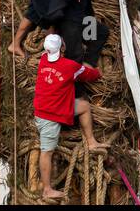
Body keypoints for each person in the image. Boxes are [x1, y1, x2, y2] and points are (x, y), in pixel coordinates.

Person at [33, 34, 105, 199]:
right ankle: (47, 190)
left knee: (83, 106)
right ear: (63, 48)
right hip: (49, 116)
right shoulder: (69, 66)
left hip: (48, 108)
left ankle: (91, 141)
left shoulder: (43, 60)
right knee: (47, 152)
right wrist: (99, 73)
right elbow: (89, 74)